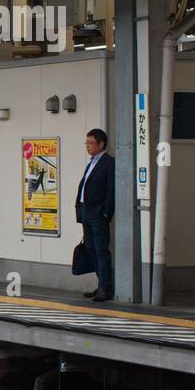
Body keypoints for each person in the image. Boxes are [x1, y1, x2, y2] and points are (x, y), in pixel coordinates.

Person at [76, 129, 116, 302]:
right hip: (86, 212)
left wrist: (106, 212)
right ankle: (101, 285)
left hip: (98, 213)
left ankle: (105, 289)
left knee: (101, 250)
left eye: (91, 143)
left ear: (101, 144)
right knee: (91, 248)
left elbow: (111, 190)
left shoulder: (108, 162)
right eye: (86, 143)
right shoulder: (91, 162)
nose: (88, 146)